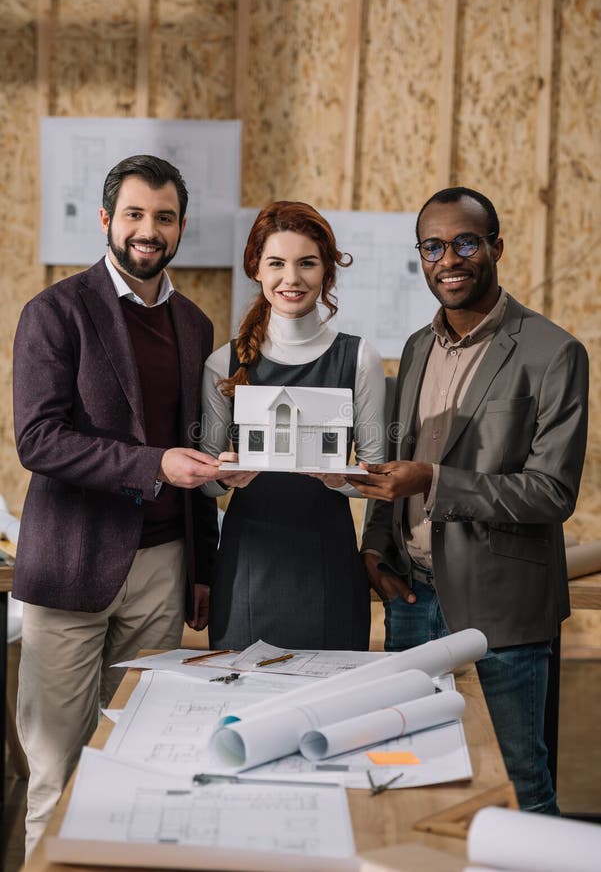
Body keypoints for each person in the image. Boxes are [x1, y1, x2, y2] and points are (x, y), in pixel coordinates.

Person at [350, 186, 588, 814]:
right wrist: (376, 548)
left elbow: (552, 493)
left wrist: (434, 479)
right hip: (410, 598)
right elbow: (392, 461)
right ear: (421, 256)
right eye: (433, 246)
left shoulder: (553, 353)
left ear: (495, 247)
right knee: (411, 776)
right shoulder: (417, 347)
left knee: (518, 786)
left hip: (499, 608)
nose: (448, 258)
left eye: (465, 242)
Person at [12, 154, 226, 852]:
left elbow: (191, 444)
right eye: (134, 214)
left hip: (163, 567)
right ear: (106, 219)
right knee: (54, 768)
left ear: (181, 227)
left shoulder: (195, 327)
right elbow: (40, 441)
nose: (148, 229)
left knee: (134, 758)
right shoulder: (54, 312)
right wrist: (151, 463)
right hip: (72, 568)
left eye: (163, 217)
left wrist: (203, 568)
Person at [200, 200, 386, 651]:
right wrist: (222, 474)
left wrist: (342, 480)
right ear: (256, 270)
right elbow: (206, 485)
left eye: (307, 263)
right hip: (248, 566)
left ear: (327, 271)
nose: (291, 278)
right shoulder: (223, 361)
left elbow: (377, 475)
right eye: (276, 263)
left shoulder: (360, 357)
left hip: (329, 564)